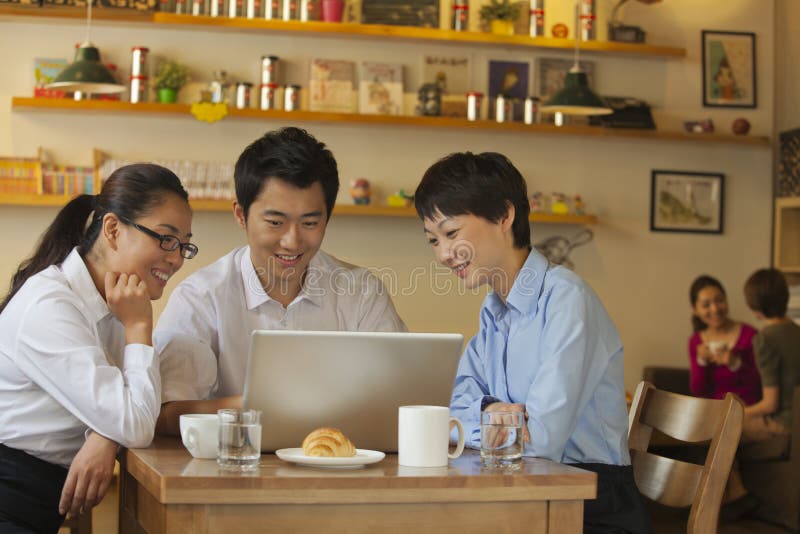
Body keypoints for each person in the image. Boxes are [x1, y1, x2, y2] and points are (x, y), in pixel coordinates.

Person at [414, 151, 650, 533]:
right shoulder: (493, 312)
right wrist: (496, 414)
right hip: (528, 495)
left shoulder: (566, 299)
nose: (443, 254)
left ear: (505, 216)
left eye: (451, 233)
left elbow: (539, 441)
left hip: (592, 505)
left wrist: (491, 423)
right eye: (432, 240)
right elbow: (452, 416)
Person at [154, 127, 406, 436]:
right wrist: (257, 405)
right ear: (240, 214)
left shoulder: (360, 292)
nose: (292, 240)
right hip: (232, 468)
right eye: (275, 222)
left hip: (339, 467)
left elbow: (400, 399)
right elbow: (166, 414)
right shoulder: (202, 296)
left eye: (310, 223)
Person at [0, 164, 196, 533]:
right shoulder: (52, 306)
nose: (176, 258)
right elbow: (135, 423)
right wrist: (139, 327)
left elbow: (135, 404)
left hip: (37, 503)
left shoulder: (116, 302)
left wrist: (104, 436)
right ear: (112, 230)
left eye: (185, 245)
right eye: (166, 239)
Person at [742, 268, 800, 440]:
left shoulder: (765, 339)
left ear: (755, 309)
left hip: (783, 424)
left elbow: (770, 404)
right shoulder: (796, 331)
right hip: (797, 421)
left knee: (723, 428)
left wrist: (739, 411)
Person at [688, 275, 762, 405]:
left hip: (747, 410)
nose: (715, 309)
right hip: (713, 412)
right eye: (706, 305)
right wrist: (701, 363)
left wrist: (736, 363)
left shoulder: (750, 335)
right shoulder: (695, 342)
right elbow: (698, 392)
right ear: (695, 310)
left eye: (719, 300)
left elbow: (759, 385)